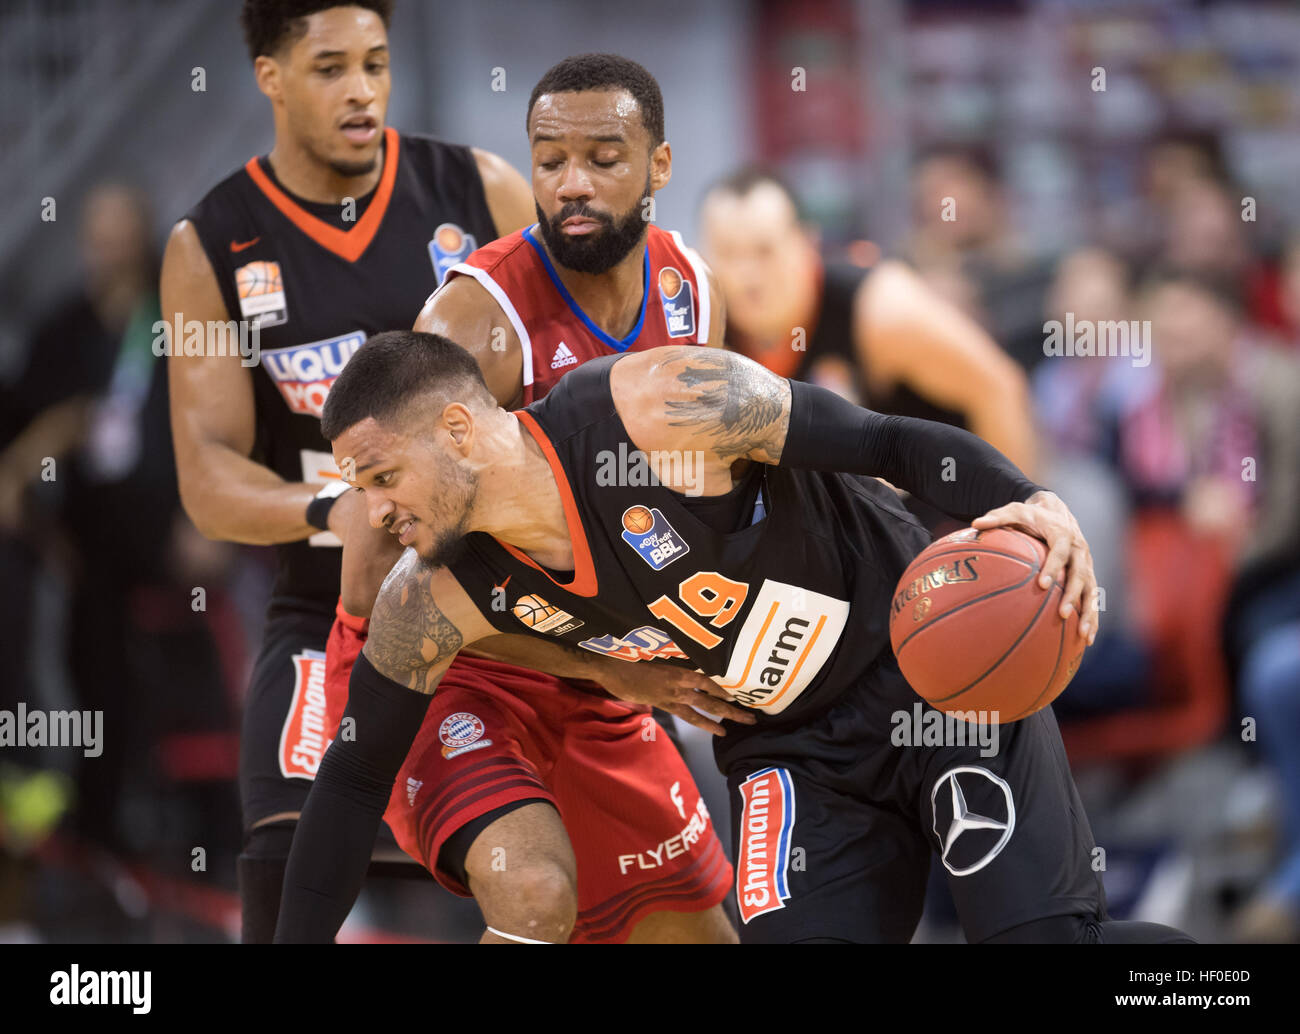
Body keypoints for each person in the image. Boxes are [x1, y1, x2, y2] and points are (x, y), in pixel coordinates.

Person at [275, 329, 1196, 945]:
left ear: (457, 429)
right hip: (790, 750)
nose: (373, 511)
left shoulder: (656, 408)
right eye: (359, 489)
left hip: (929, 674)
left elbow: (885, 442)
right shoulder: (433, 595)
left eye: (383, 476)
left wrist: (1027, 502)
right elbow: (353, 779)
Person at [320, 53, 740, 944]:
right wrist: (600, 661)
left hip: (593, 663)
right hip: (448, 663)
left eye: (604, 158)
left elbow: (689, 508)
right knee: (536, 895)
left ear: (659, 167)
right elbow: (372, 576)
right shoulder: (475, 326)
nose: (572, 185)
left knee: (698, 937)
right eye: (551, 163)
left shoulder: (690, 293)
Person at [161, 0, 535, 942]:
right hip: (330, 605)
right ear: (271, 77)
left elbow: (558, 386)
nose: (362, 90)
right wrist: (342, 506)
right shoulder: (209, 244)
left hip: (490, 596)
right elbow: (207, 478)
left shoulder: (480, 190)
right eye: (331, 68)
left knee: (595, 885)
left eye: (376, 63)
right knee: (283, 877)